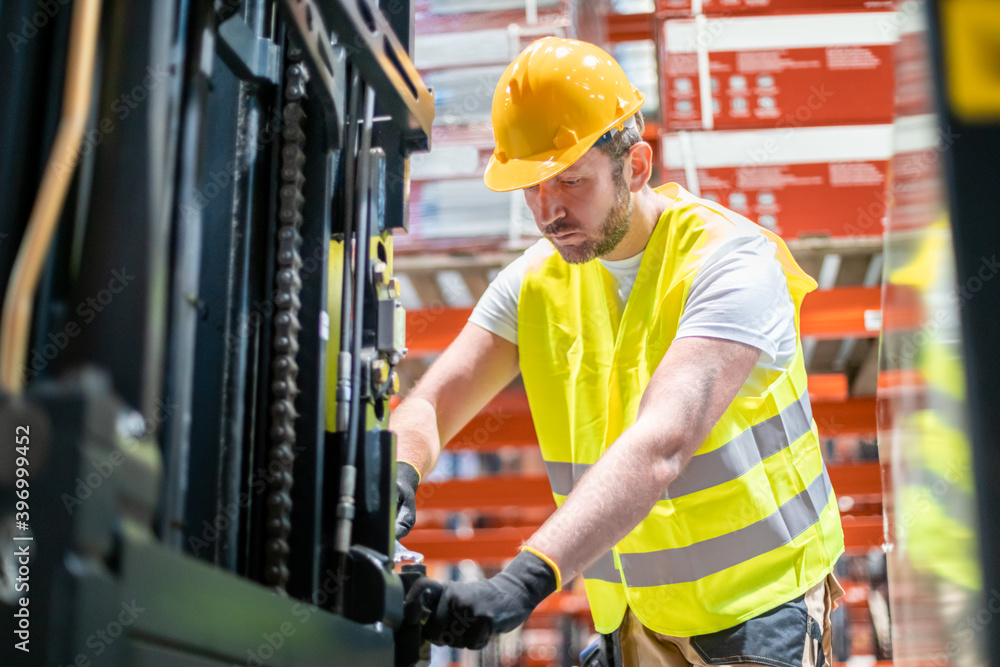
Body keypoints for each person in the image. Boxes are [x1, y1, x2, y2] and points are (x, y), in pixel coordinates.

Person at [390, 36, 845, 666]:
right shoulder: (536, 280)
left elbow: (663, 443)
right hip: (632, 617)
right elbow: (433, 406)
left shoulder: (730, 262)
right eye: (531, 189)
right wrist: (394, 474)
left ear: (634, 166)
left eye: (570, 181)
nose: (548, 212)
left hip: (757, 612)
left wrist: (522, 581)